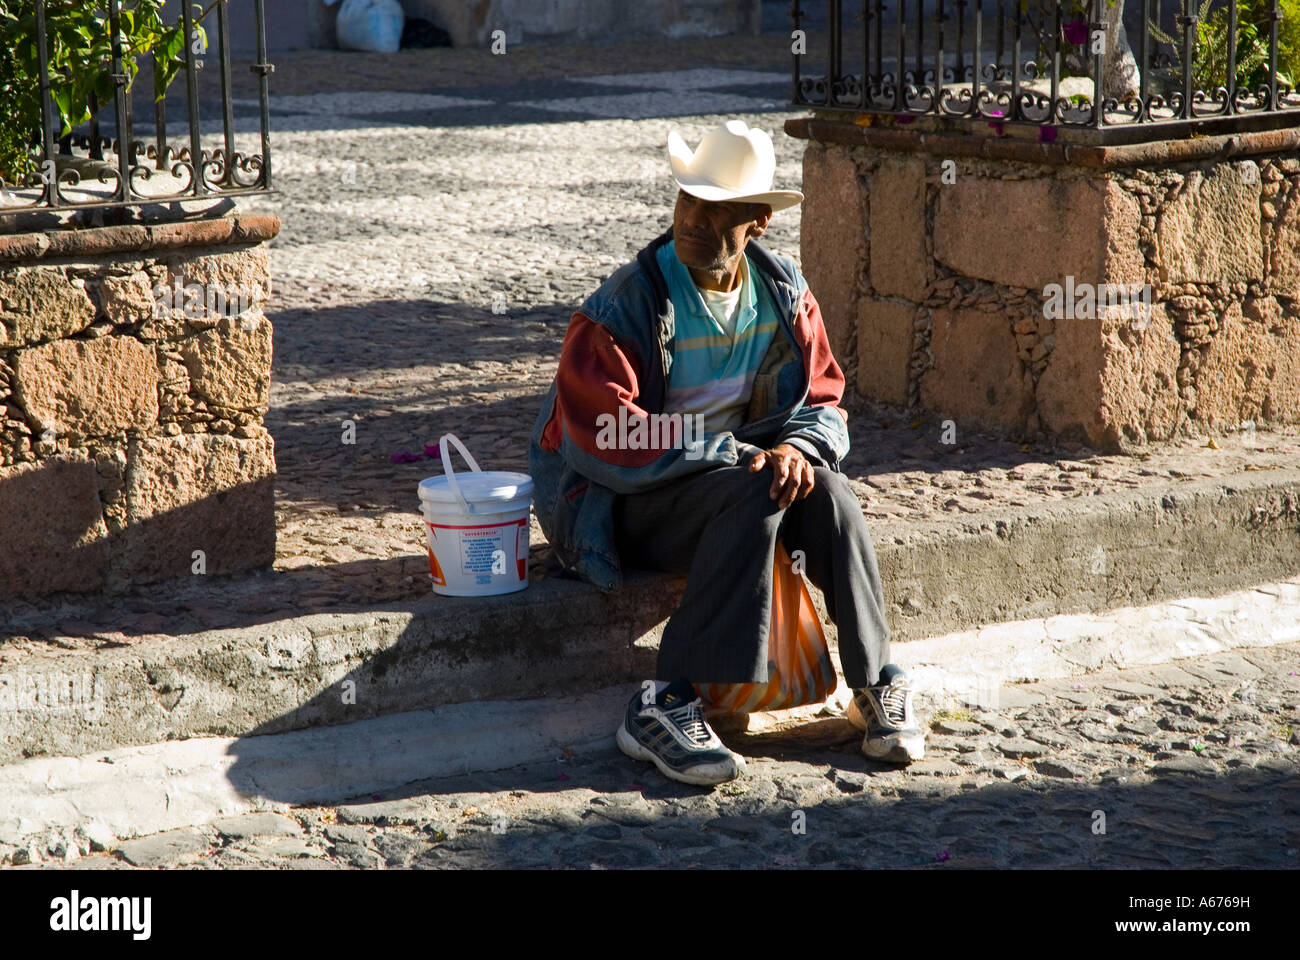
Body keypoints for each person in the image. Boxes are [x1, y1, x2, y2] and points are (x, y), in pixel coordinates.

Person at [528, 119, 924, 786]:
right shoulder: (625, 306)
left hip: (736, 497)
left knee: (827, 491)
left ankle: (876, 681)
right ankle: (665, 701)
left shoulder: (782, 294)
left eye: (717, 212)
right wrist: (737, 456)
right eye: (688, 202)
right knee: (756, 486)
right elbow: (606, 435)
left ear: (759, 222)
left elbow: (824, 401)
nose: (693, 222)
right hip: (618, 505)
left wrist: (797, 448)